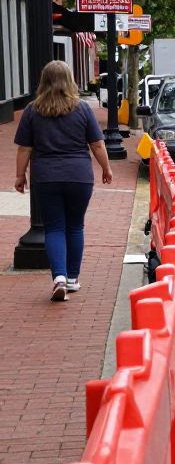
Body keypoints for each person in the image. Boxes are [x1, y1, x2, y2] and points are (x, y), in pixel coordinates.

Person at [13, 60, 113, 301]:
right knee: (75, 226)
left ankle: (58, 277)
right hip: (79, 175)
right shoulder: (82, 109)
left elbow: (24, 149)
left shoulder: (32, 110)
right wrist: (106, 168)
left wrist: (20, 175)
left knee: (54, 228)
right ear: (70, 80)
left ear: (43, 81)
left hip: (45, 177)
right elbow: (97, 144)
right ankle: (72, 279)